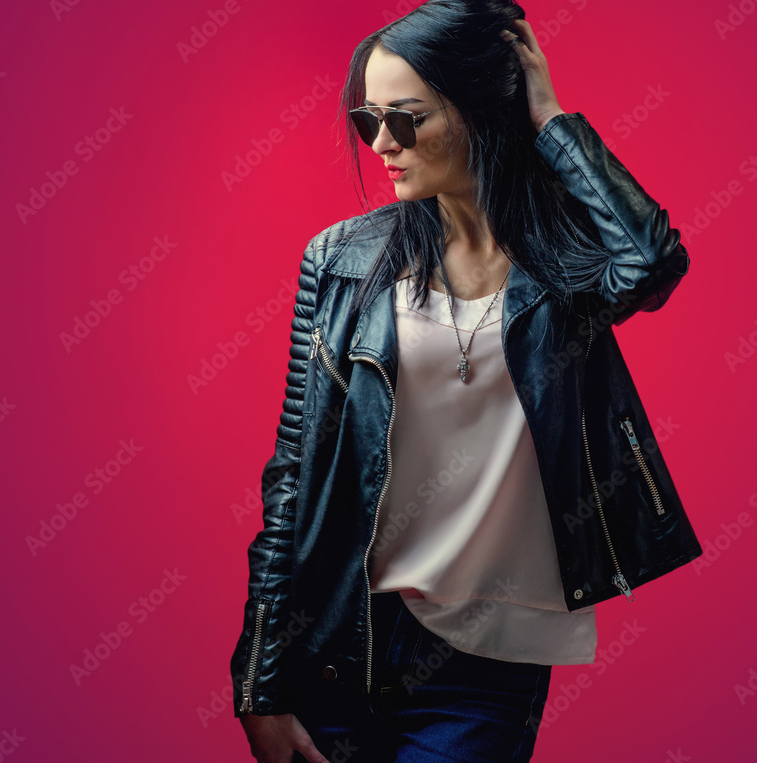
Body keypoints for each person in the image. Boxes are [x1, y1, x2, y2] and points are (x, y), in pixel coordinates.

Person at [230, 1, 702, 761]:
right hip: (342, 640)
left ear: (480, 110)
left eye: (406, 119)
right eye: (367, 119)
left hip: (487, 658)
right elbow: (293, 478)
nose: (382, 143)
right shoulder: (342, 262)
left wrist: (549, 119)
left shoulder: (562, 260)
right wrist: (258, 683)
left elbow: (651, 264)